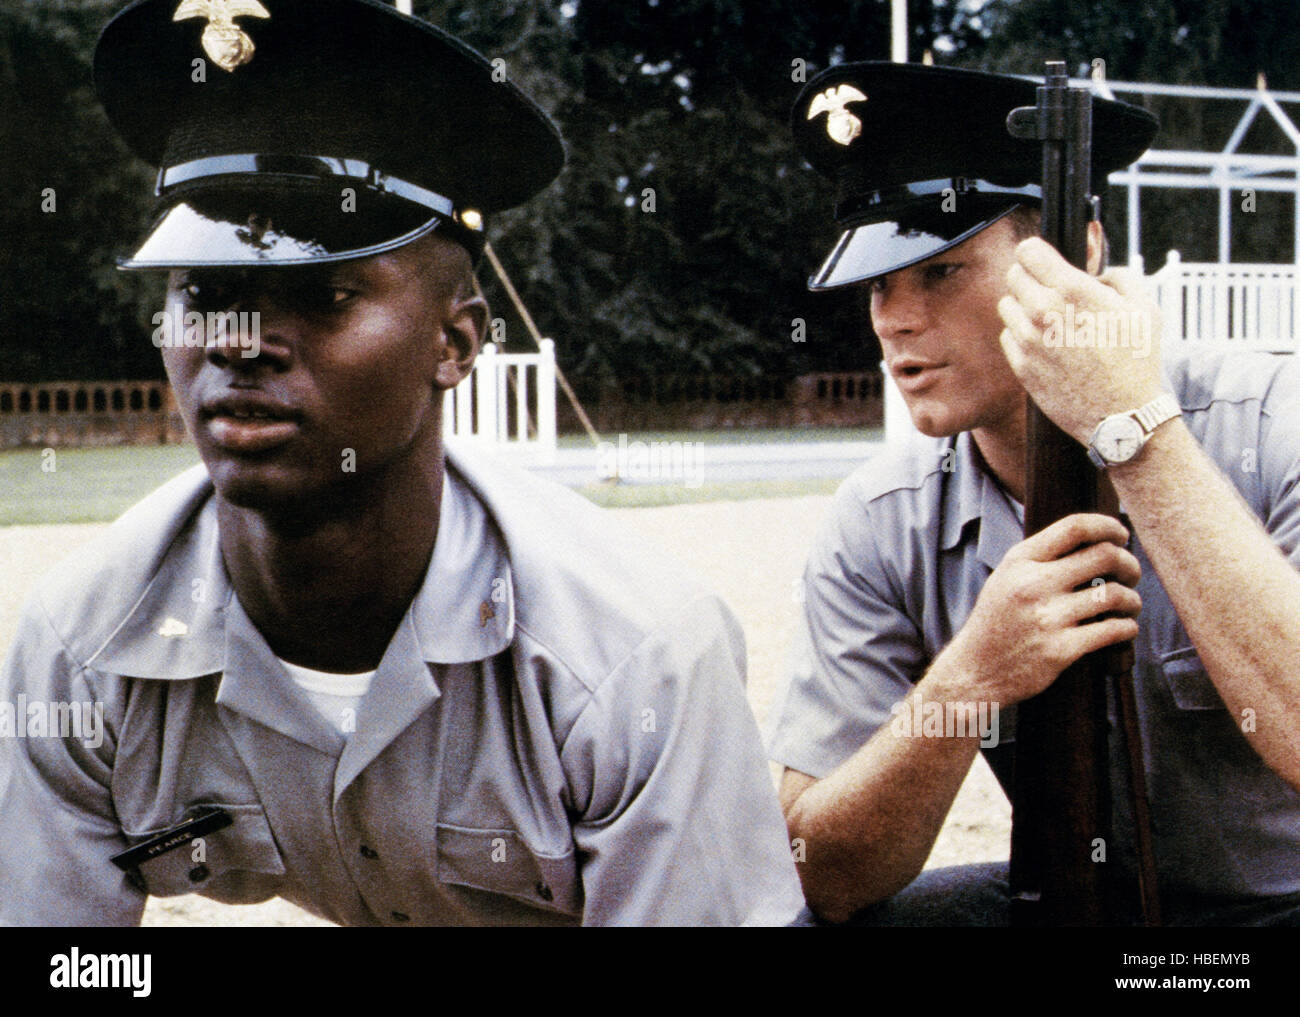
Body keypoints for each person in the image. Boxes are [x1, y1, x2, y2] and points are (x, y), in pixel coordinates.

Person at [0, 0, 805, 927]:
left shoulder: (633, 658)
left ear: (455, 344)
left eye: (321, 293)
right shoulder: (82, 645)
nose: (240, 341)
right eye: (205, 292)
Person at [766, 61, 1300, 926]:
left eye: (941, 271)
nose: (895, 319)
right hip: (1077, 902)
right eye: (877, 282)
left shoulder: (1268, 419)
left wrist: (1138, 436)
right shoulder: (885, 518)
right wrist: (970, 677)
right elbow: (816, 869)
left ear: (1077, 254)